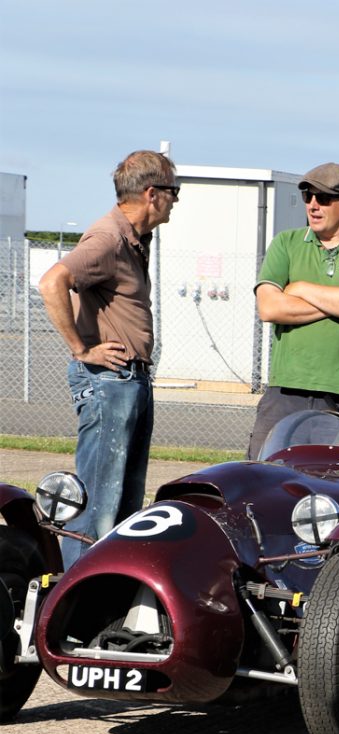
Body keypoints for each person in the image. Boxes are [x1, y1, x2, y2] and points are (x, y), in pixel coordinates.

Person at [38, 150, 179, 568]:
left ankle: (107, 596)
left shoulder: (135, 239)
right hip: (108, 382)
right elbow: (52, 283)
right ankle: (70, 605)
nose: (176, 201)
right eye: (174, 192)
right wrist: (82, 351)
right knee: (98, 502)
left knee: (123, 504)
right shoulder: (108, 239)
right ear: (152, 194)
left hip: (130, 379)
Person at [246, 163, 339, 458]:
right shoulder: (286, 243)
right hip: (285, 391)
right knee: (265, 481)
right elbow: (269, 307)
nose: (313, 205)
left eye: (324, 198)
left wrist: (299, 288)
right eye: (308, 197)